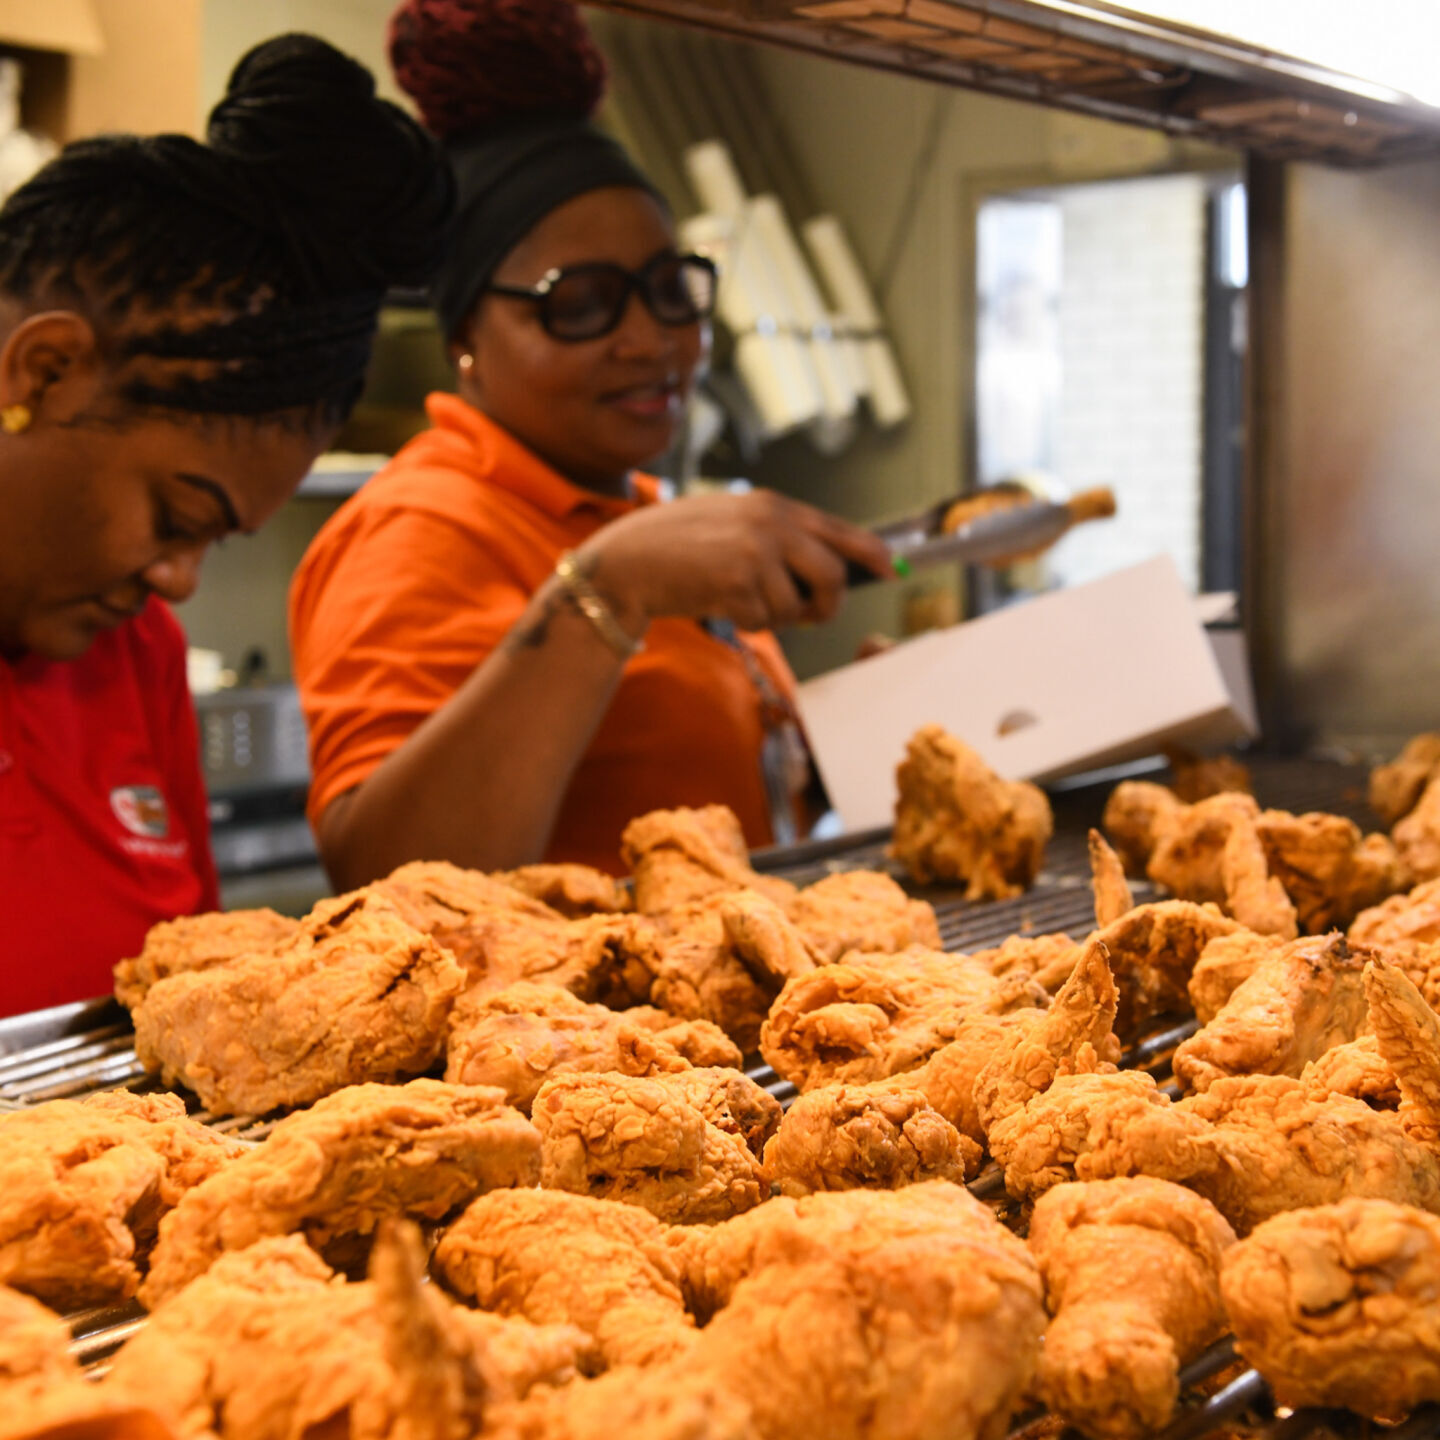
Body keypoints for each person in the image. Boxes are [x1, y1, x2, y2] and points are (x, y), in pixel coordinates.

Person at [289, 0, 890, 889]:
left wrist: (862, 731)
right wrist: (607, 588)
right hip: (561, 1028)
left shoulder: (637, 509)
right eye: (580, 302)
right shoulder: (421, 527)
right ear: (465, 335)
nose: (652, 339)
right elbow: (384, 878)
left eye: (669, 288)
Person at [0, 35, 452, 1015]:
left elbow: (188, 1015)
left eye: (214, 542)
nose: (179, 582)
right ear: (41, 374)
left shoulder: (136, 654)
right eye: (176, 517)